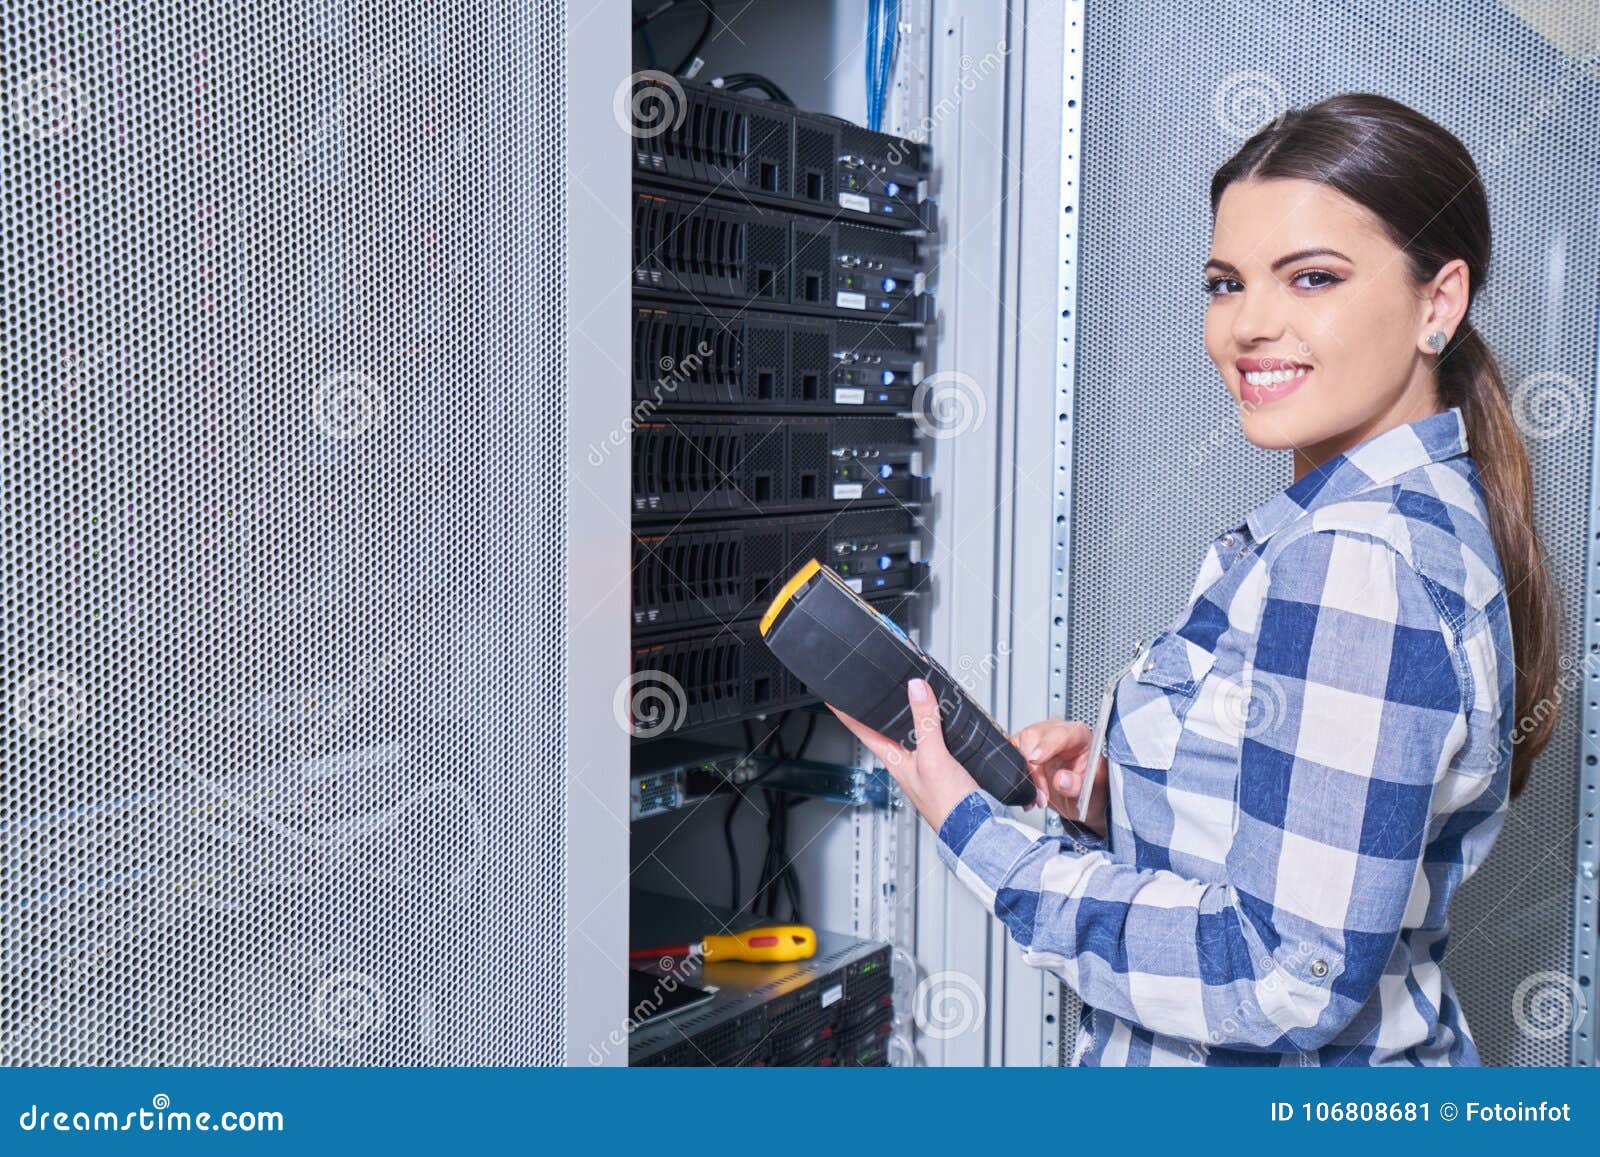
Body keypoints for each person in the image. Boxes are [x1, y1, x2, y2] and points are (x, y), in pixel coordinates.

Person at [830, 93, 1560, 1066]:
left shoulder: (1352, 564)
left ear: (1439, 301)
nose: (1250, 325)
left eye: (1312, 277)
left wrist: (974, 828)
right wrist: (1119, 789)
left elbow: (1279, 974)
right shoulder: (1393, 520)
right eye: (1225, 283)